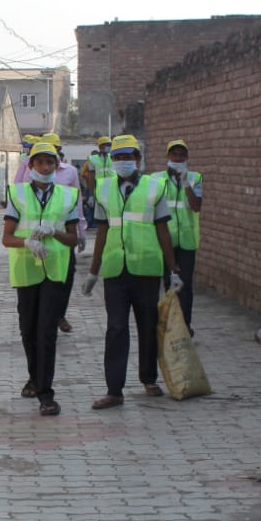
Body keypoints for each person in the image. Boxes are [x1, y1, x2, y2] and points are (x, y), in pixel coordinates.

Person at [82, 134, 182, 409]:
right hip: (115, 270)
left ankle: (149, 378)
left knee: (147, 325)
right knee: (116, 328)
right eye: (118, 157)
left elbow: (163, 229)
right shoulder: (103, 189)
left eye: (129, 157)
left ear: (138, 160)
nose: (123, 161)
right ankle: (114, 389)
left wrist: (172, 269)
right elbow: (102, 231)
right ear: (112, 160)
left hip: (147, 269)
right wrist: (93, 271)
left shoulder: (154, 187)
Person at [1, 142, 81, 416]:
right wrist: (27, 243)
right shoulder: (17, 193)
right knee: (28, 329)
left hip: (55, 268)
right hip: (27, 267)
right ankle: (34, 378)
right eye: (40, 163)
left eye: (50, 163)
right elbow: (6, 237)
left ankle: (46, 394)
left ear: (57, 167)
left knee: (47, 330)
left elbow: (74, 237)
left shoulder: (68, 196)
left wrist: (55, 232)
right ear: (30, 166)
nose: (45, 167)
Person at [24, 132, 85, 334]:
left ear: (59, 151)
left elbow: (77, 202)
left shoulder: (70, 172)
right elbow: (17, 197)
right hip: (33, 239)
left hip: (61, 236)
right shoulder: (28, 169)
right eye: (40, 161)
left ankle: (59, 314)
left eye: (52, 150)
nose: (45, 166)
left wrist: (80, 229)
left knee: (66, 276)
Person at [161, 139, 204, 333]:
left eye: (182, 155)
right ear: (168, 157)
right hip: (165, 240)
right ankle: (171, 324)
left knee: (185, 284)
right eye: (174, 155)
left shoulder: (195, 178)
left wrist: (186, 182)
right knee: (169, 284)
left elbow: (196, 206)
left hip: (187, 241)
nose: (178, 158)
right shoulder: (157, 179)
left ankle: (185, 326)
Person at [80, 135, 113, 228]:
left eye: (109, 145)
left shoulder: (114, 157)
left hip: (113, 189)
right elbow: (90, 176)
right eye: (107, 145)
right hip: (100, 190)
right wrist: (91, 195)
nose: (108, 147)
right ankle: (99, 227)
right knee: (101, 214)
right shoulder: (92, 159)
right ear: (100, 146)